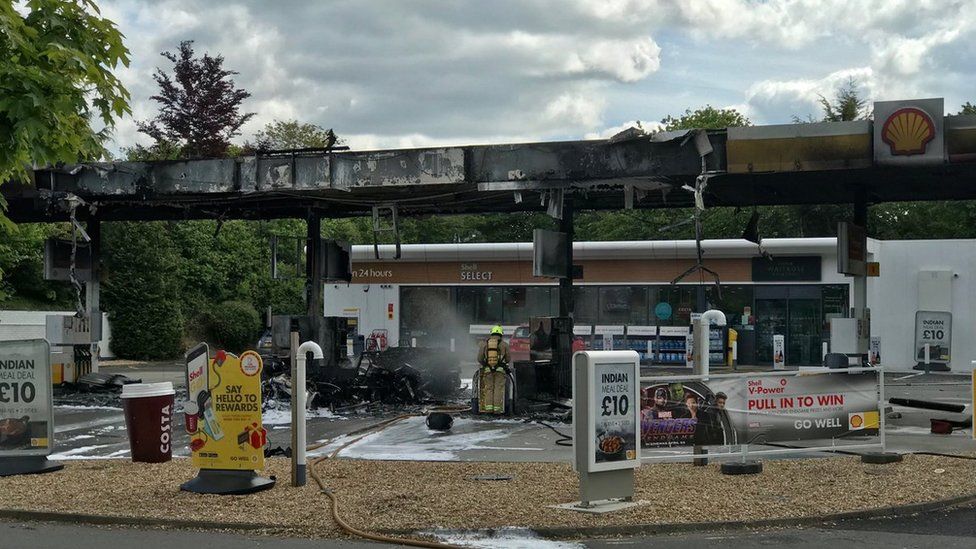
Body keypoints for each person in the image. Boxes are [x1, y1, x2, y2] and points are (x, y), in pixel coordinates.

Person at [477, 325, 511, 414]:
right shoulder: (504, 344)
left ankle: (488, 410)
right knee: (498, 389)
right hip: (500, 371)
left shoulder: (484, 344)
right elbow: (508, 359)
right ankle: (497, 410)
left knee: (489, 389)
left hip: (488, 370)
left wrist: (486, 365)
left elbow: (479, 359)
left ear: (492, 333)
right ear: (501, 334)